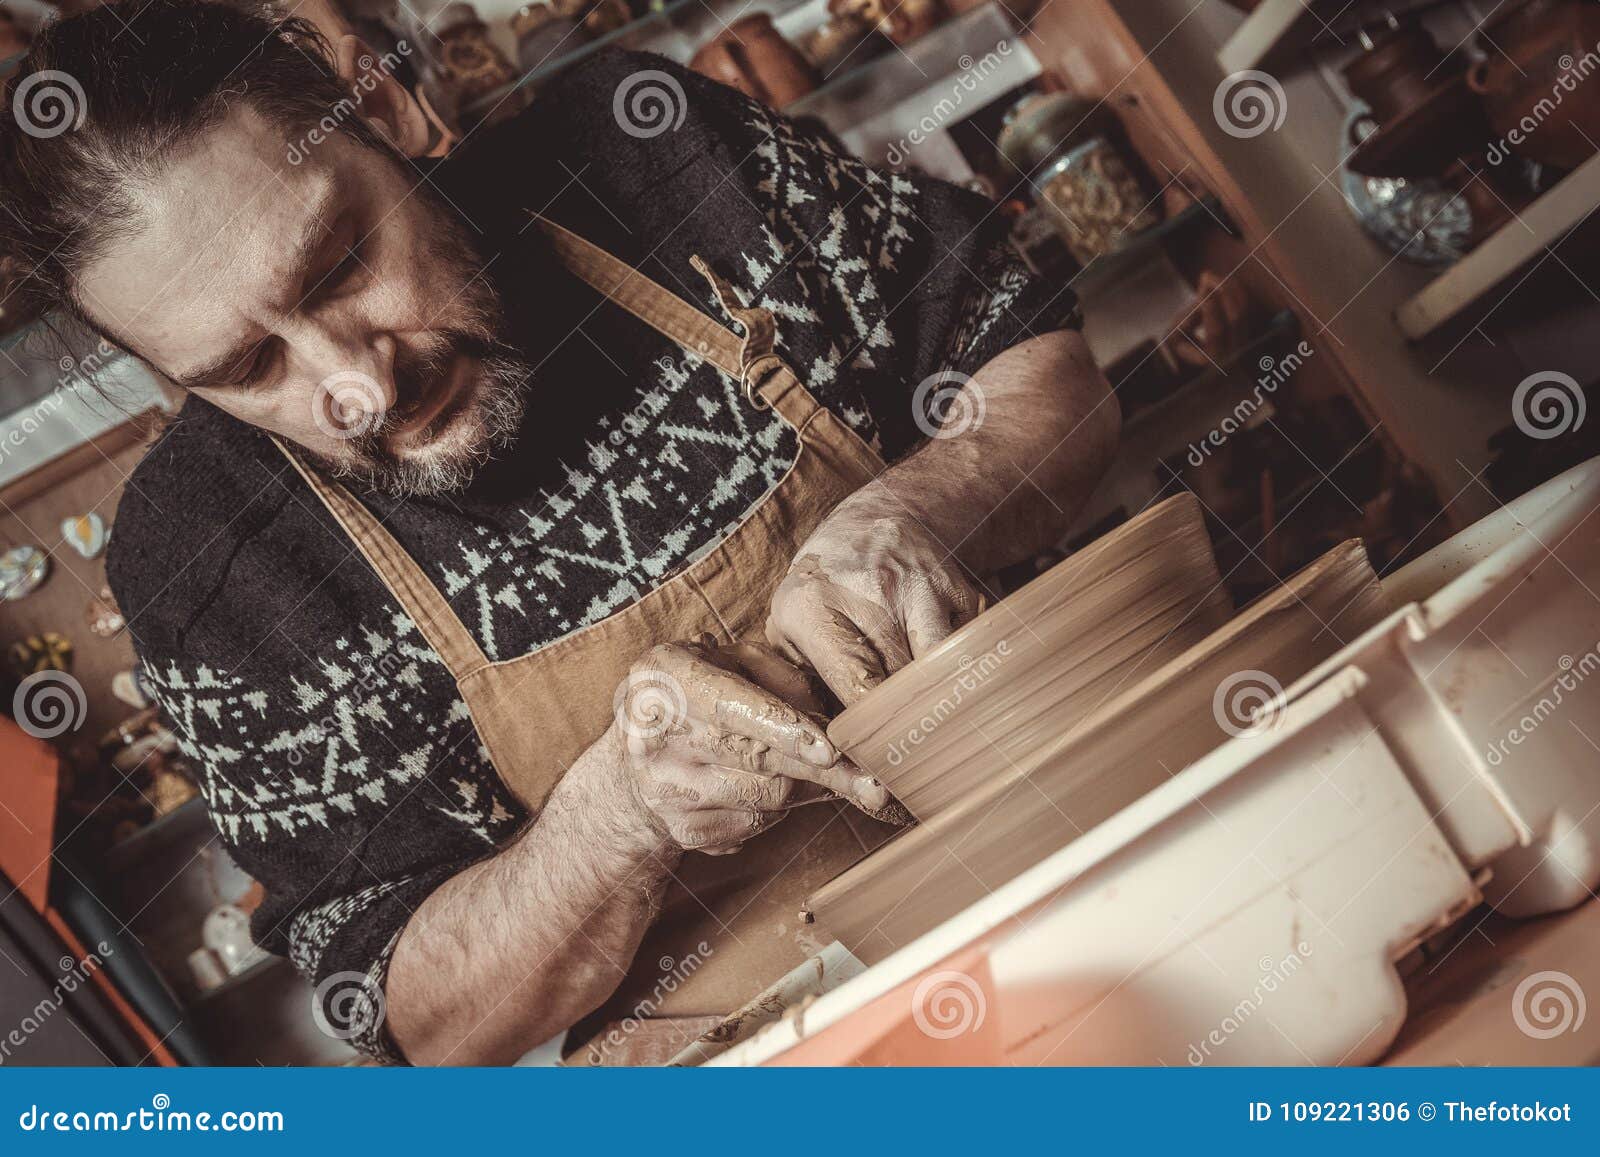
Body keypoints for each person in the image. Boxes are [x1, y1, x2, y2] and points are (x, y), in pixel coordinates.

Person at [0, 0, 1118, 1064]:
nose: (358, 387)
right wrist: (619, 814)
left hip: (1093, 829)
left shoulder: (650, 149)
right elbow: (417, 1020)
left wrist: (924, 502)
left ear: (381, 114)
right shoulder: (203, 562)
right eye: (250, 368)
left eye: (341, 262)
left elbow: (1041, 364)